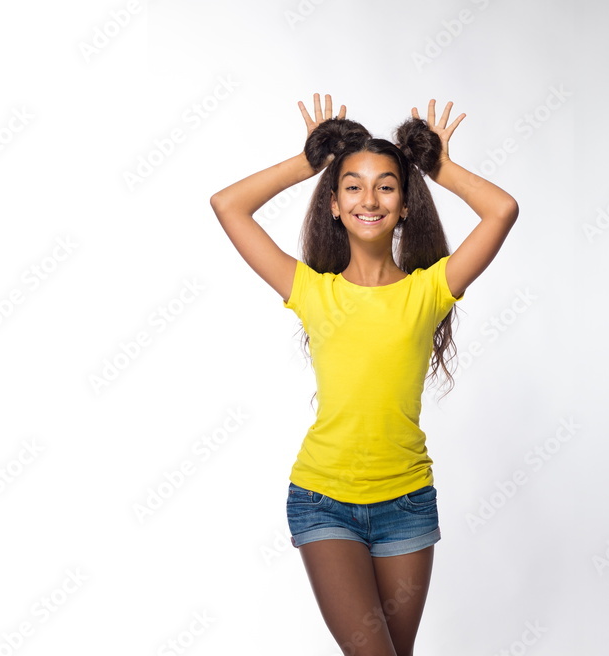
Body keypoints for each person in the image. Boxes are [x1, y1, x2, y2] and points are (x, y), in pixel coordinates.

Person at [209, 93, 518, 656]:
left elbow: (502, 210)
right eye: (352, 185)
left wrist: (438, 166)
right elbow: (227, 204)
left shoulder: (429, 290)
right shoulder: (312, 292)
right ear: (333, 204)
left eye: (386, 185)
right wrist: (309, 163)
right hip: (323, 500)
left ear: (404, 206)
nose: (369, 198)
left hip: (406, 504)